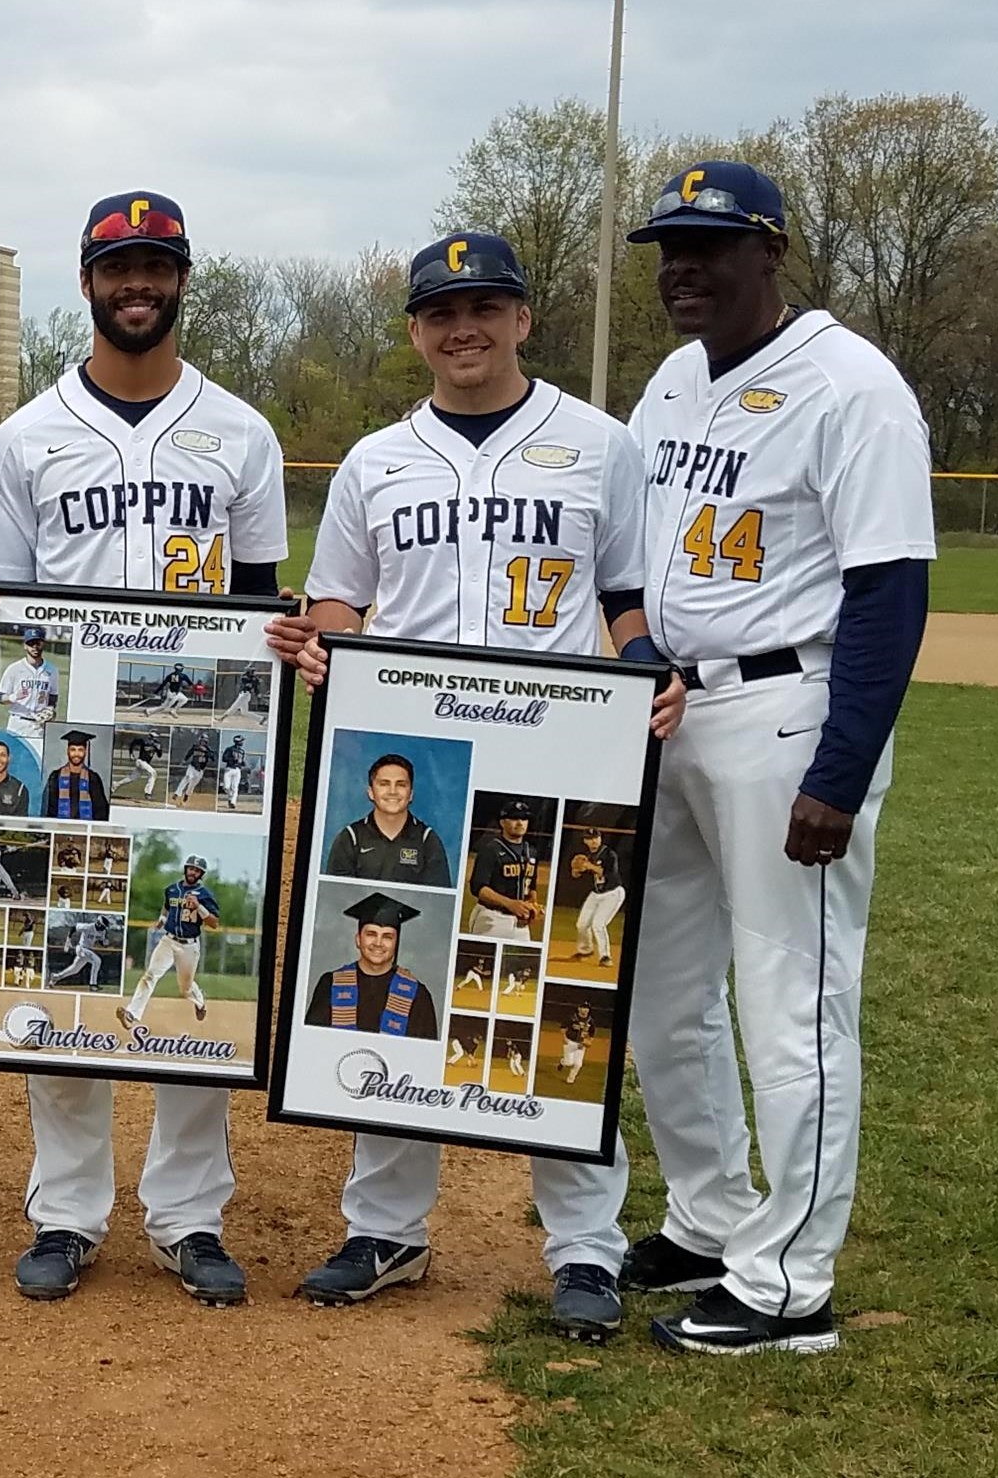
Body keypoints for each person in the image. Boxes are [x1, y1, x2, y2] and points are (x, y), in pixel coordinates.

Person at [270, 230, 685, 1342]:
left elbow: (629, 598)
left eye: (486, 305)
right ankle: (387, 1231)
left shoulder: (601, 444)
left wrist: (648, 672)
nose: (465, 327)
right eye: (442, 310)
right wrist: (327, 647)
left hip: (555, 760)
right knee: (397, 978)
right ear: (414, 330)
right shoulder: (375, 458)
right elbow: (340, 602)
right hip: (415, 769)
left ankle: (586, 1247)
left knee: (562, 1000)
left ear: (523, 318)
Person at [0, 189, 287, 1308]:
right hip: (67, 739)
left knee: (200, 984)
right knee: (62, 953)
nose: (136, 284)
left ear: (184, 278)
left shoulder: (241, 430)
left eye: (156, 265)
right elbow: (0, 605)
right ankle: (67, 1209)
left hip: (195, 743)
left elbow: (256, 603)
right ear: (86, 282)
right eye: (116, 266)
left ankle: (189, 1216)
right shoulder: (31, 436)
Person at [618, 163, 933, 1356]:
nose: (681, 268)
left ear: (772, 249)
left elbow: (891, 590)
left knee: (787, 999)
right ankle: (709, 1216)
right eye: (667, 246)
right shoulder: (672, 378)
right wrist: (642, 651)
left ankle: (790, 1279)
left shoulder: (851, 385)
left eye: (708, 244)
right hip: (680, 711)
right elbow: (638, 556)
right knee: (661, 986)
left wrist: (839, 775)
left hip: (791, 708)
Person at [303, 893, 440, 1038]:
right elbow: (313, 1042)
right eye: (371, 934)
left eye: (387, 936)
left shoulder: (417, 994)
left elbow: (423, 1055)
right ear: (358, 940)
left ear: (396, 943)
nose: (378, 943)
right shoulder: (331, 984)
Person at [321, 754, 451, 886]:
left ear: (411, 794)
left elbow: (436, 902)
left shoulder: (427, 841)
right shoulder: (351, 838)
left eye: (401, 784)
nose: (392, 791)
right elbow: (336, 896)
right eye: (384, 784)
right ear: (371, 792)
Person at [121, 854, 216, 1028]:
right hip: (168, 940)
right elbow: (167, 907)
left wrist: (199, 907)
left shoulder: (205, 894)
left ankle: (200, 1002)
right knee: (150, 975)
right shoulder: (172, 889)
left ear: (201, 874)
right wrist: (162, 920)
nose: (193, 872)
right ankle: (131, 1014)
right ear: (185, 869)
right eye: (191, 868)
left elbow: (214, 923)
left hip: (189, 946)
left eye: (197, 870)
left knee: (185, 989)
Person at [466, 798, 544, 940]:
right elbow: (478, 888)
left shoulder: (531, 852)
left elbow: (531, 886)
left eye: (524, 818)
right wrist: (510, 904)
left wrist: (533, 906)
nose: (520, 823)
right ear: (502, 822)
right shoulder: (490, 849)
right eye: (514, 818)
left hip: (520, 923)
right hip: (492, 918)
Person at [567, 830, 626, 964]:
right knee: (581, 924)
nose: (593, 841)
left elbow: (608, 874)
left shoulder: (609, 854)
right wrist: (576, 870)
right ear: (585, 841)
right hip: (596, 893)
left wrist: (589, 866)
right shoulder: (587, 856)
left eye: (596, 837)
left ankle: (605, 957)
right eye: (589, 838)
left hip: (613, 893)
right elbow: (576, 875)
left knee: (598, 924)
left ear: (600, 838)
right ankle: (586, 950)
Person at [0, 628, 59, 748]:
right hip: (18, 723)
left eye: (38, 643)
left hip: (39, 726)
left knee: (38, 762)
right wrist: (13, 697)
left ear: (43, 644)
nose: (35, 647)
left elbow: (53, 695)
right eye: (31, 643)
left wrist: (50, 710)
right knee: (15, 762)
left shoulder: (52, 670)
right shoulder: (14, 669)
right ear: (25, 646)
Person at [41, 729, 111, 821]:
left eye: (80, 750)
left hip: (85, 830)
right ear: (68, 751)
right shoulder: (55, 777)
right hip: (60, 828)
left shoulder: (93, 778)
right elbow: (49, 808)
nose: (76, 754)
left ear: (85, 752)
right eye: (73, 749)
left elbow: (100, 810)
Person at [170, 735, 213, 805]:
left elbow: (213, 758)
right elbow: (189, 753)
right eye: (202, 741)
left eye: (204, 741)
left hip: (200, 770)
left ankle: (186, 795)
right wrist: (184, 760)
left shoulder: (208, 749)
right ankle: (177, 794)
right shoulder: (195, 747)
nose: (203, 743)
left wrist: (206, 752)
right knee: (186, 778)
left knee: (192, 785)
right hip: (192, 767)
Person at [216, 735, 250, 811]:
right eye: (241, 741)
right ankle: (230, 797)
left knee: (235, 787)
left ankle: (233, 802)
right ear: (237, 741)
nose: (243, 743)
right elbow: (224, 759)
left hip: (237, 770)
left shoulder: (242, 751)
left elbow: (242, 760)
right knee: (226, 787)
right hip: (229, 769)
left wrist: (243, 763)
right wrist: (232, 760)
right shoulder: (229, 749)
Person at [129, 732, 162, 798]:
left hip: (144, 763)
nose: (154, 739)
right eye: (153, 737)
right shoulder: (144, 741)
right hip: (141, 761)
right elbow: (133, 742)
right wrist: (131, 753)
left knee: (131, 778)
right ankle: (148, 793)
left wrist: (159, 749)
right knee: (153, 773)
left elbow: (159, 755)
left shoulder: (157, 745)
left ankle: (115, 785)